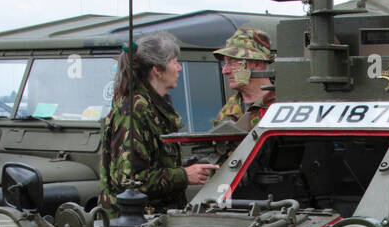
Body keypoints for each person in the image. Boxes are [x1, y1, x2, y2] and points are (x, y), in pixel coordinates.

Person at [99, 31, 217, 215]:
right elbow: (130, 180)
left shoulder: (155, 106)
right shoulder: (133, 111)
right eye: (174, 62)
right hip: (135, 223)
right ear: (157, 70)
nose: (179, 68)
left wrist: (190, 166)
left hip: (157, 219)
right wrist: (184, 175)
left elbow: (154, 161)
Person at [211, 28, 275, 129]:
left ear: (257, 63)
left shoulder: (283, 105)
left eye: (232, 63)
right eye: (225, 63)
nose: (225, 71)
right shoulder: (230, 108)